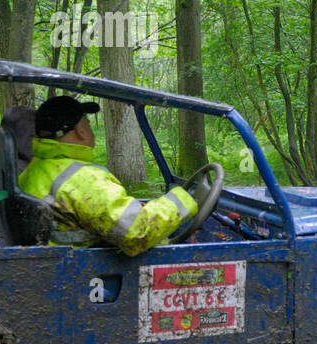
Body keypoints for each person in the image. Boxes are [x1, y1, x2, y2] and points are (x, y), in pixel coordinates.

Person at [18, 95, 198, 255]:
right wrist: (184, 199)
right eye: (86, 121)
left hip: (57, 263)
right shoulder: (82, 179)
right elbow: (136, 232)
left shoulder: (33, 169)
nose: (89, 126)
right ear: (80, 131)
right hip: (90, 275)